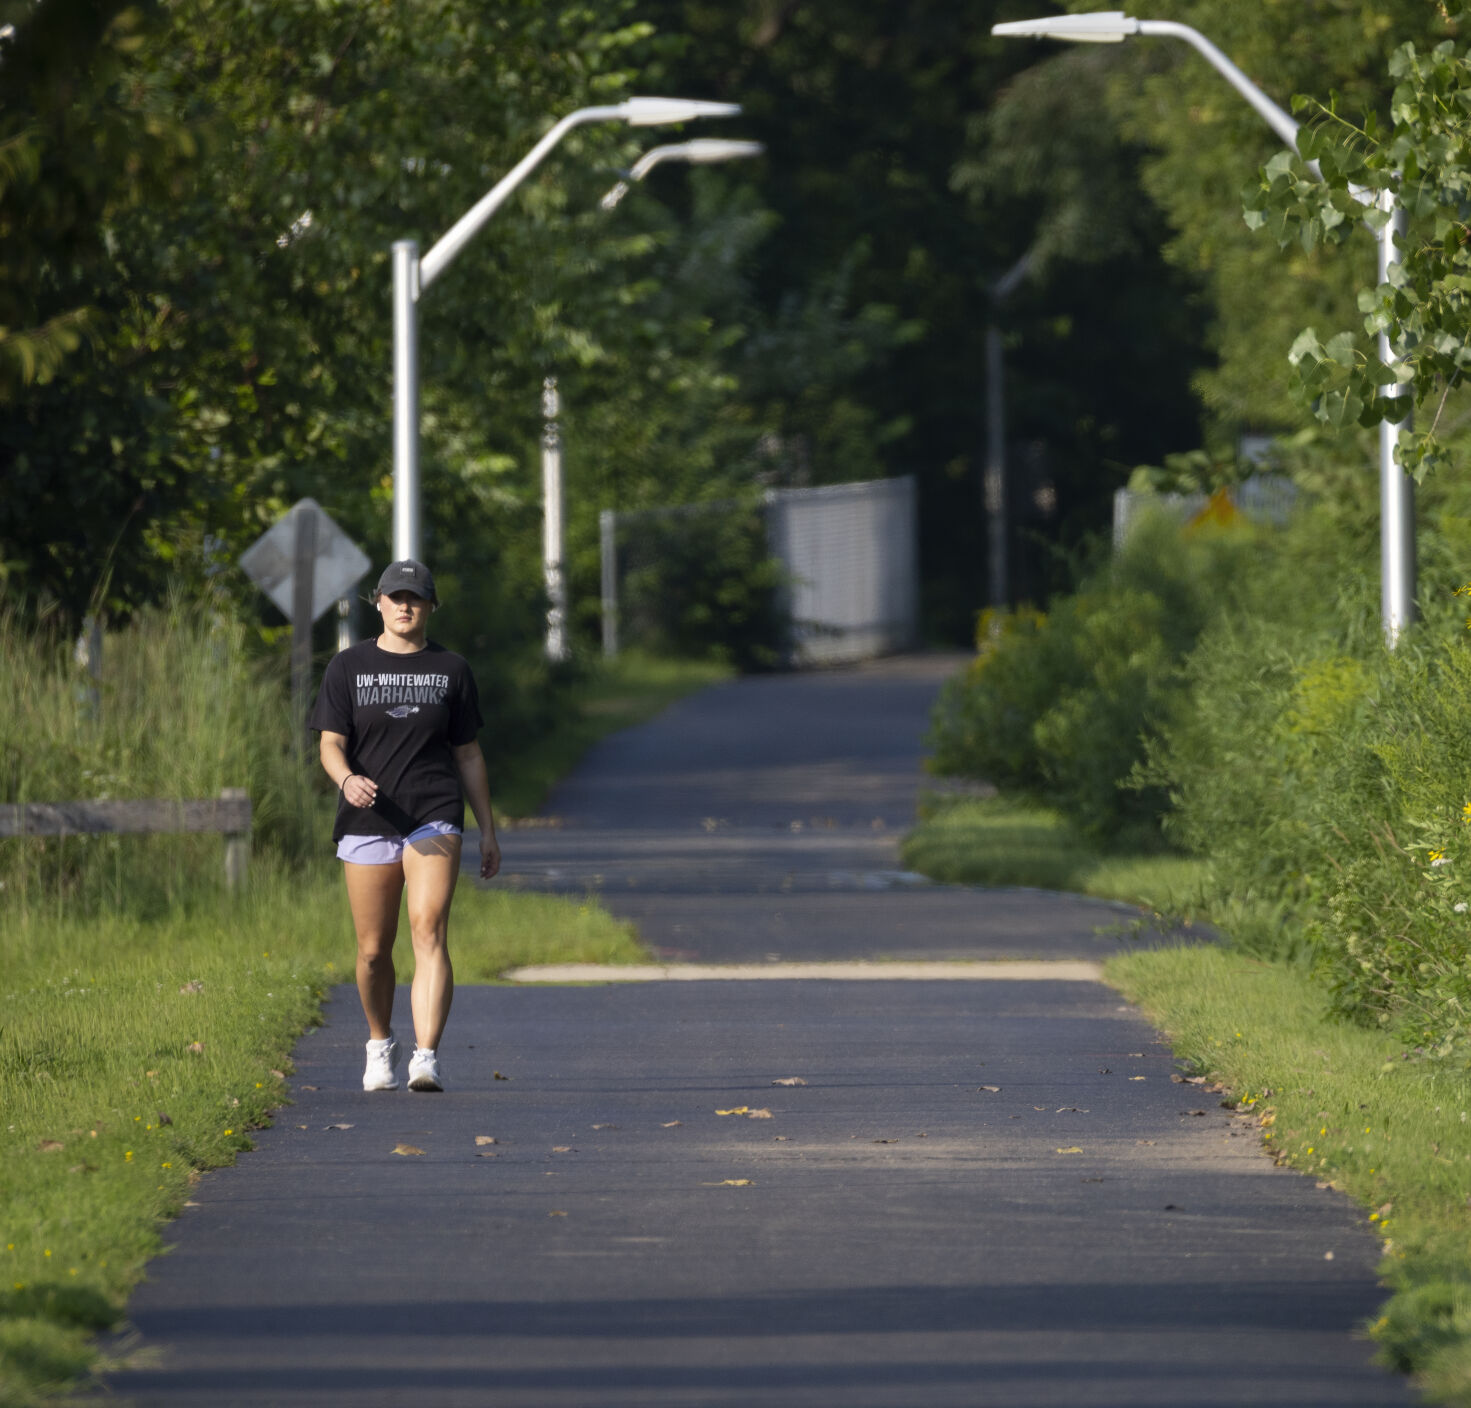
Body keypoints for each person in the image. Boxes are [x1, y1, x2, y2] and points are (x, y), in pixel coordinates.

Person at [310, 559, 500, 1093]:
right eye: (395, 596)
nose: (404, 606)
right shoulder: (347, 667)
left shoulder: (452, 670)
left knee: (428, 927)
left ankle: (426, 1056)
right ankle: (378, 1042)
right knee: (373, 949)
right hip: (367, 817)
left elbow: (468, 754)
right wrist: (346, 780)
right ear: (378, 602)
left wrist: (487, 829)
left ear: (430, 606)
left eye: (414, 598)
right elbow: (330, 743)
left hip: (433, 813)